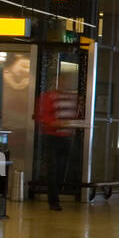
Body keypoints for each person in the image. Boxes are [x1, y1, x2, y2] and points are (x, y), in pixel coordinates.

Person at [35, 79, 78, 211]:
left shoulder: (70, 98)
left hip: (65, 137)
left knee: (60, 170)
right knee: (53, 170)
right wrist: (55, 124)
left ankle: (55, 197)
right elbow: (42, 116)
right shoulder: (50, 97)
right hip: (52, 137)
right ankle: (53, 200)